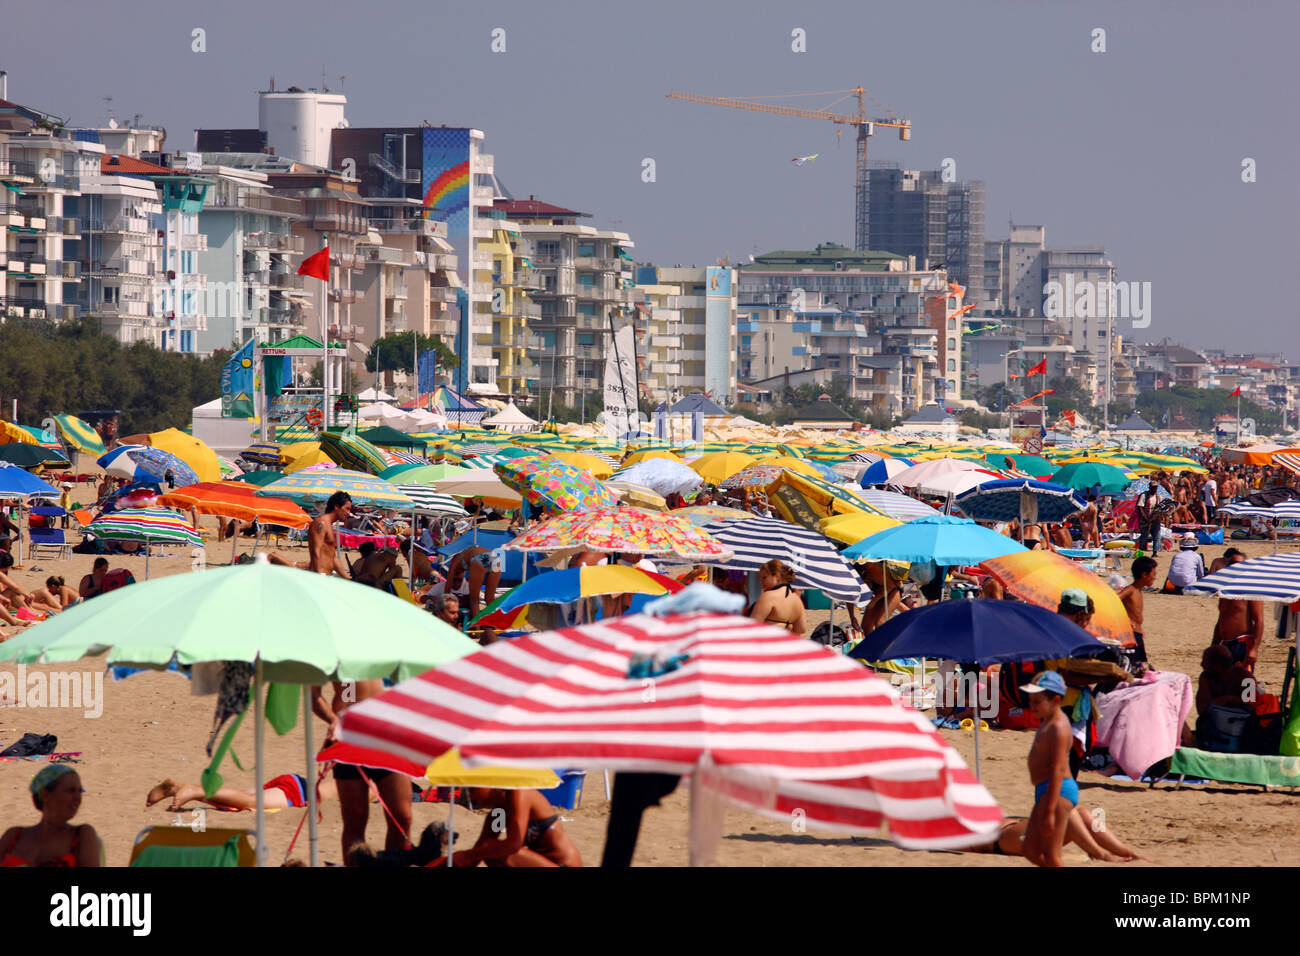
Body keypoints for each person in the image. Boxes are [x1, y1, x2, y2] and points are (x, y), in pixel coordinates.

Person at [311, 674, 411, 861]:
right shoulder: (336, 649)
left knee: (402, 818)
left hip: (389, 733)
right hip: (351, 736)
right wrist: (336, 719)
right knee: (355, 820)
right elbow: (317, 695)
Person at [1020, 671, 1076, 868]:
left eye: (1037, 701)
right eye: (1030, 701)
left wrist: (1050, 811)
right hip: (1045, 789)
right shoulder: (1047, 721)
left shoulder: (1058, 727)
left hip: (1058, 791)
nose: (1032, 706)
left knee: (1051, 855)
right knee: (1029, 850)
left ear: (1056, 700)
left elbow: (1058, 769)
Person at [444, 788, 582, 867]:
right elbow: (478, 850)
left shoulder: (519, 794)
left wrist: (468, 855)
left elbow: (513, 845)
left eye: (472, 789)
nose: (470, 795)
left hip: (563, 865)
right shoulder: (499, 813)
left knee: (494, 850)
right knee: (488, 849)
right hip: (543, 863)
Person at [1, 765, 100, 867]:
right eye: (70, 790)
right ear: (45, 795)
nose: (77, 798)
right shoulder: (13, 835)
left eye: (79, 791)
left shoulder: (81, 835)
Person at [975, 808, 1151, 862]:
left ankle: (1124, 851)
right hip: (1004, 837)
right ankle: (1101, 853)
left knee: (1082, 813)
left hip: (1013, 830)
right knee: (1068, 812)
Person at [146, 774, 338, 813]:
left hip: (296, 781)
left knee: (235, 800)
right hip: (299, 793)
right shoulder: (367, 788)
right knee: (249, 802)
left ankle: (177, 787)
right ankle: (196, 791)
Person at [267, 491, 353, 575]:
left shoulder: (328, 525)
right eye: (347, 508)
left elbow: (332, 556)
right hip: (319, 575)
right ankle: (273, 557)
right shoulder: (321, 523)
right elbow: (316, 552)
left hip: (325, 575)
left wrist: (346, 577)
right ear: (336, 507)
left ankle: (274, 557)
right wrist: (317, 577)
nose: (349, 512)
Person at [745, 558, 806, 634]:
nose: (760, 582)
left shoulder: (768, 597)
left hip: (768, 642)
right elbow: (801, 629)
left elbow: (753, 627)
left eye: (764, 578)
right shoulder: (797, 600)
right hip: (787, 643)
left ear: (777, 576)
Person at [1117, 557, 1157, 666]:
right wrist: (1126, 619)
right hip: (1130, 634)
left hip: (1138, 633)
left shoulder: (1138, 590)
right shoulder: (1130, 590)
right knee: (1135, 665)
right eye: (1153, 574)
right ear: (1144, 575)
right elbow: (1114, 600)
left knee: (1142, 664)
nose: (1155, 577)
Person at [1213, 593, 1265, 669]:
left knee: (1244, 678)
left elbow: (1259, 620)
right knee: (1225, 677)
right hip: (1225, 643)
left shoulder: (1252, 592)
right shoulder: (1225, 593)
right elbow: (1221, 620)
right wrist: (1214, 645)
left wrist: (1254, 649)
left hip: (1243, 643)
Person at [1136, 485, 1162, 552]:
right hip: (1145, 519)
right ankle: (1142, 549)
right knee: (1144, 535)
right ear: (1150, 488)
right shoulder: (1144, 495)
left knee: (1156, 535)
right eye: (1153, 487)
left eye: (1155, 488)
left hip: (1155, 519)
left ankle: (1156, 550)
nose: (1154, 489)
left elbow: (1160, 508)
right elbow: (1140, 507)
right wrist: (1145, 518)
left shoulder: (1158, 497)